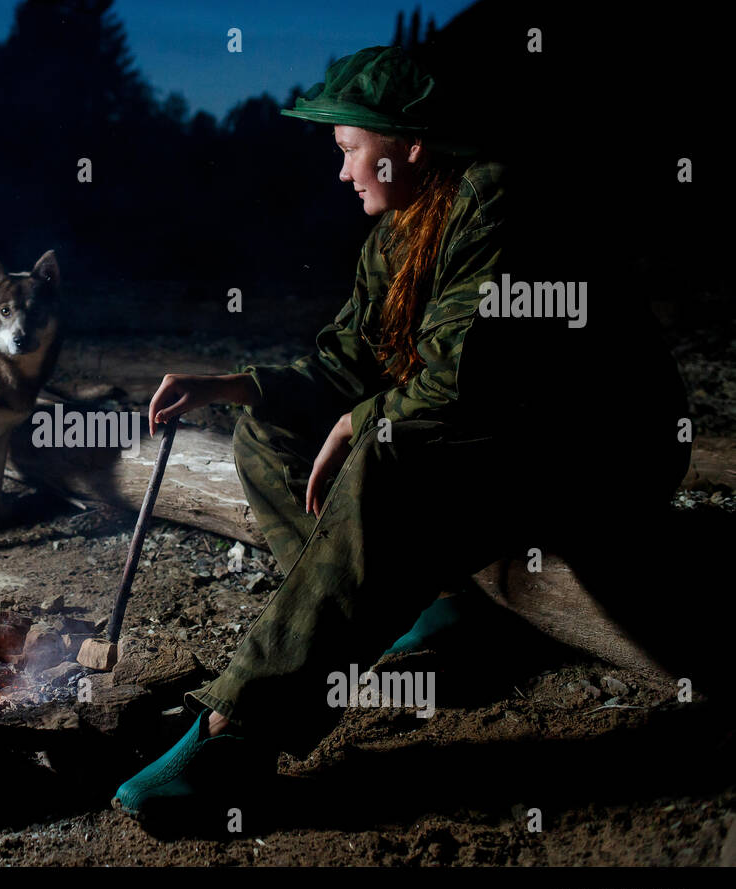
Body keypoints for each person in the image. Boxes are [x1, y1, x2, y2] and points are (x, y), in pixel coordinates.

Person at [111, 45, 690, 827]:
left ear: (411, 143)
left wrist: (359, 420)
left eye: (351, 150)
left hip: (593, 457)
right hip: (499, 448)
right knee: (265, 433)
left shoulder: (497, 202)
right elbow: (352, 359)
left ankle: (238, 730)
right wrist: (237, 385)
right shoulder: (400, 230)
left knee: (385, 452)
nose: (342, 172)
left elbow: (463, 380)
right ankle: (433, 606)